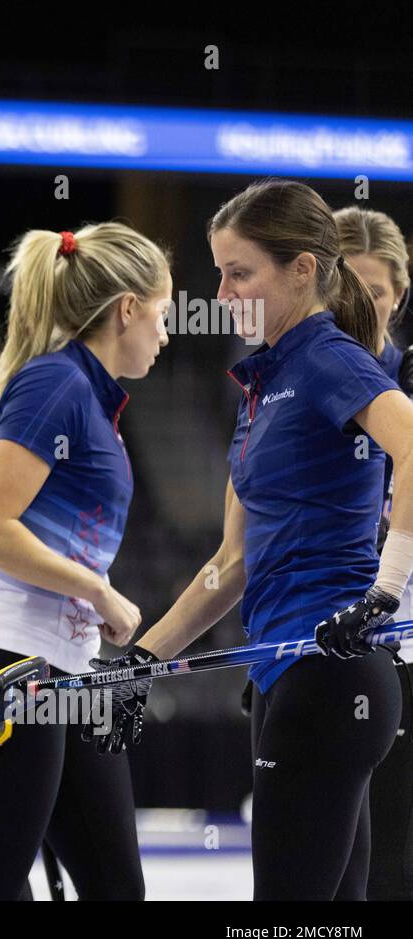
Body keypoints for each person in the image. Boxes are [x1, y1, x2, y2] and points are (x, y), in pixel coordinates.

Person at [129, 180, 411, 900]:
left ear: (303, 270)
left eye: (239, 272)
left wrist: (385, 592)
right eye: (218, 272)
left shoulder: (327, 358)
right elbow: (231, 563)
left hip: (331, 671)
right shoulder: (266, 385)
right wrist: (140, 662)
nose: (221, 292)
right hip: (286, 675)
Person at [0, 222, 172, 901]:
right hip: (14, 671)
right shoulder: (56, 384)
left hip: (64, 674)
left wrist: (88, 596)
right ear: (127, 308)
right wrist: (97, 592)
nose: (166, 333)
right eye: (161, 315)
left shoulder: (92, 397)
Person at [335, 205, 413, 900]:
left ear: (401, 294)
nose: (358, 311)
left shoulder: (405, 381)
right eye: (344, 292)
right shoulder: (303, 377)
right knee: (337, 857)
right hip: (331, 634)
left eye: (376, 294)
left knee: (393, 847)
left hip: (401, 633)